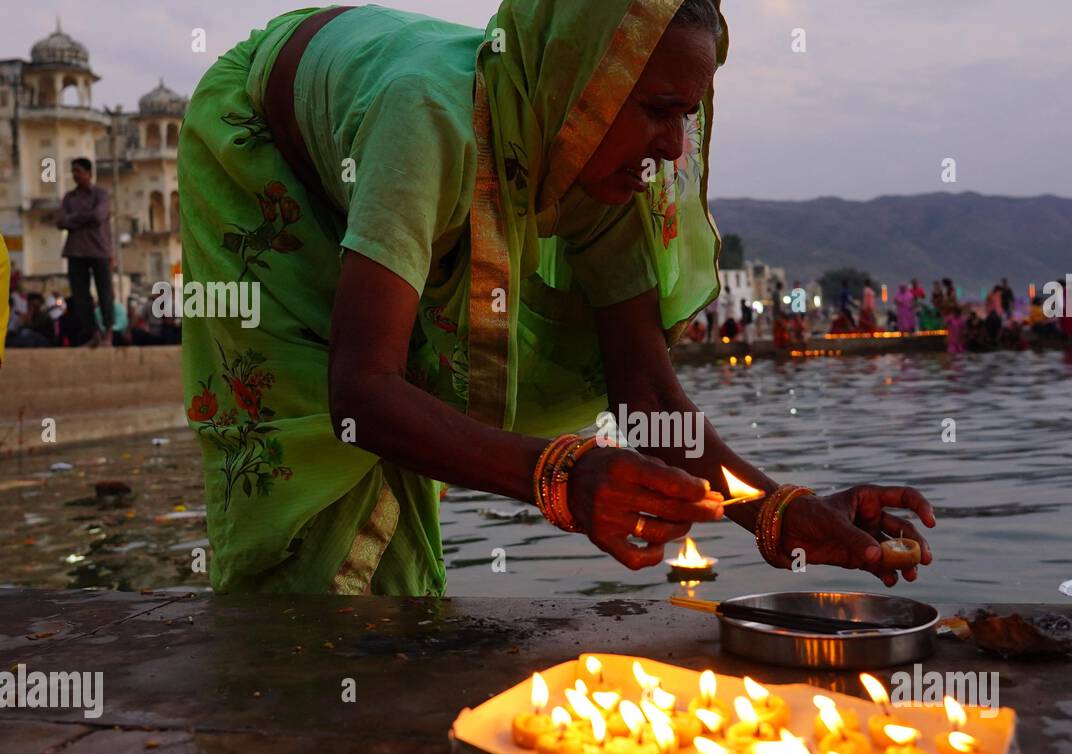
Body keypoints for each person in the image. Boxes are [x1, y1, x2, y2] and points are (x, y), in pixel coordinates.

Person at [178, 0, 936, 596]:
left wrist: (775, 511)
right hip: (268, 155)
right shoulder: (429, 120)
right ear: (584, 83)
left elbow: (642, 389)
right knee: (317, 466)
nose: (675, 147)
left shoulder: (602, 162)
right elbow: (359, 396)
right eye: (658, 109)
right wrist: (564, 477)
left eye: (688, 115)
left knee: (402, 450)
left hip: (371, 124)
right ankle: (287, 696)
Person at [57, 157, 114, 349]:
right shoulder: (68, 197)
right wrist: (85, 217)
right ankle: (93, 334)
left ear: (89, 173)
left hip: (99, 250)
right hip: (75, 251)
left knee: (105, 293)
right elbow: (61, 222)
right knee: (81, 298)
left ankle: (108, 334)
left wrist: (75, 218)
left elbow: (99, 216)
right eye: (73, 171)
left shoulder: (101, 195)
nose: (75, 175)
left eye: (78, 171)